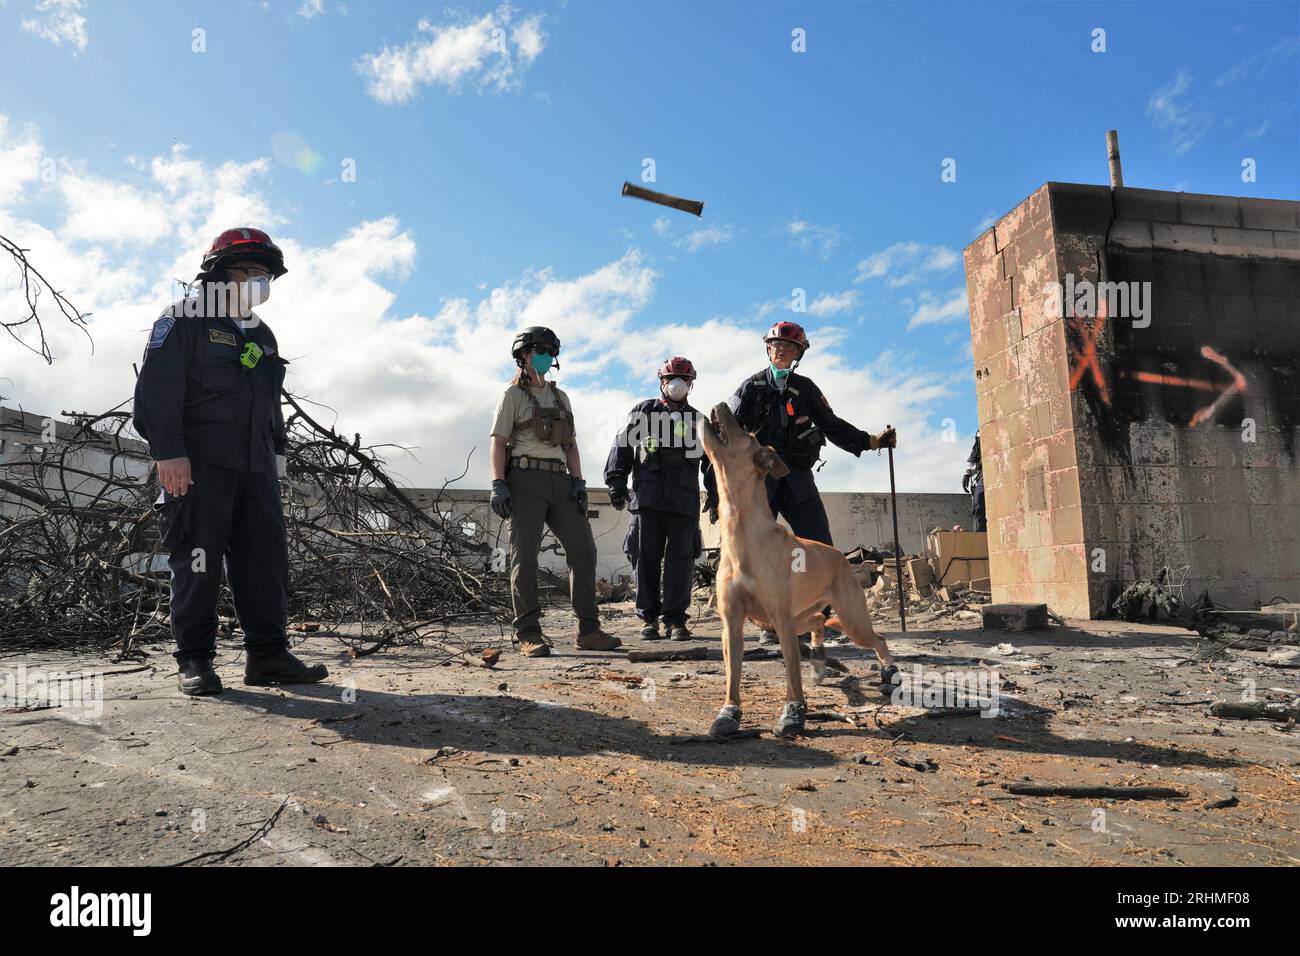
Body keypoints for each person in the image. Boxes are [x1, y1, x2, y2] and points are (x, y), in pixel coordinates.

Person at [134, 227, 328, 696]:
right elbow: (157, 389)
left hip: (257, 468)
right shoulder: (184, 318)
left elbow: (270, 405)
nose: (257, 282)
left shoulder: (262, 334)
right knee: (197, 561)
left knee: (265, 561)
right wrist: (169, 452)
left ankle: (268, 655)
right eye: (247, 272)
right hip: (198, 465)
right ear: (219, 274)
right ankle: (195, 660)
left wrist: (278, 460)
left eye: (264, 275)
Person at [728, 320, 897, 644]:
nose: (782, 351)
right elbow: (728, 432)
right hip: (760, 482)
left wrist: (871, 441)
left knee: (818, 546)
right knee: (758, 551)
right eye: (777, 345)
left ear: (798, 354)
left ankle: (817, 619)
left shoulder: (805, 389)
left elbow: (831, 425)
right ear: (768, 349)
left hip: (797, 480)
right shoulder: (750, 387)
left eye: (790, 347)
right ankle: (770, 626)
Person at [488, 327, 621, 657]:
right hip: (524, 479)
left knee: (584, 551)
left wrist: (579, 481)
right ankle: (528, 633)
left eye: (551, 351)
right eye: (540, 350)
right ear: (524, 354)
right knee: (525, 558)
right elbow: (498, 442)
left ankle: (588, 630)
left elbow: (571, 445)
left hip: (560, 480)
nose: (546, 356)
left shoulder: (561, 398)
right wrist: (498, 483)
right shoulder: (512, 396)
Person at [604, 356, 718, 641]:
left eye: (684, 379)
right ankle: (649, 619)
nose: (677, 384)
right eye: (670, 379)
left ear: (691, 384)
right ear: (661, 382)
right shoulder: (643, 412)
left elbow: (713, 463)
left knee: (681, 562)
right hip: (647, 501)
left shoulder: (698, 421)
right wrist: (616, 482)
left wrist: (716, 496)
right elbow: (621, 446)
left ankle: (676, 620)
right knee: (644, 559)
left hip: (683, 503)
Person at [964, 432, 986, 532]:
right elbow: (974, 457)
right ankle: (981, 535)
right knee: (978, 503)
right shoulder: (979, 434)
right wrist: (967, 475)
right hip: (984, 476)